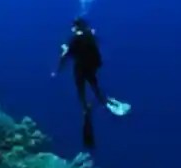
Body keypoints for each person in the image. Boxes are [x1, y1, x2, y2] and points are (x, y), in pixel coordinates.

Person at [53, 17, 129, 150]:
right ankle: (104, 101)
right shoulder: (90, 35)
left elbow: (65, 57)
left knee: (81, 89)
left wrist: (57, 70)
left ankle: (85, 107)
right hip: (91, 67)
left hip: (80, 68)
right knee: (94, 85)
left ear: (75, 27)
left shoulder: (75, 40)